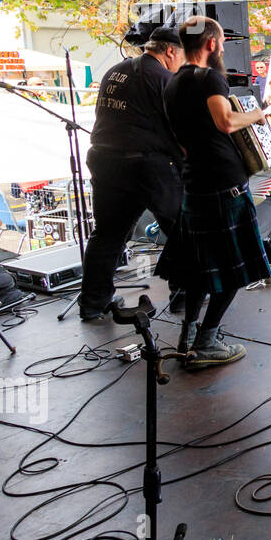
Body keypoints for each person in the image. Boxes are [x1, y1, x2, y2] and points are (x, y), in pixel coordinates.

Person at [155, 16, 271, 366]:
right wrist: (259, 114)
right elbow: (226, 121)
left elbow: (177, 139)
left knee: (199, 269)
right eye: (220, 43)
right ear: (209, 45)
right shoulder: (210, 78)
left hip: (195, 184)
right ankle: (206, 342)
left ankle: (188, 335)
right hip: (224, 186)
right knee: (234, 269)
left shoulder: (173, 82)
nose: (222, 49)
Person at [80, 26, 186, 320]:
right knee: (181, 230)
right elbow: (176, 129)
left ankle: (92, 303)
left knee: (107, 235)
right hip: (145, 165)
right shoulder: (163, 78)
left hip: (105, 161)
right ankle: (183, 296)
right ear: (169, 51)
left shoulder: (116, 70)